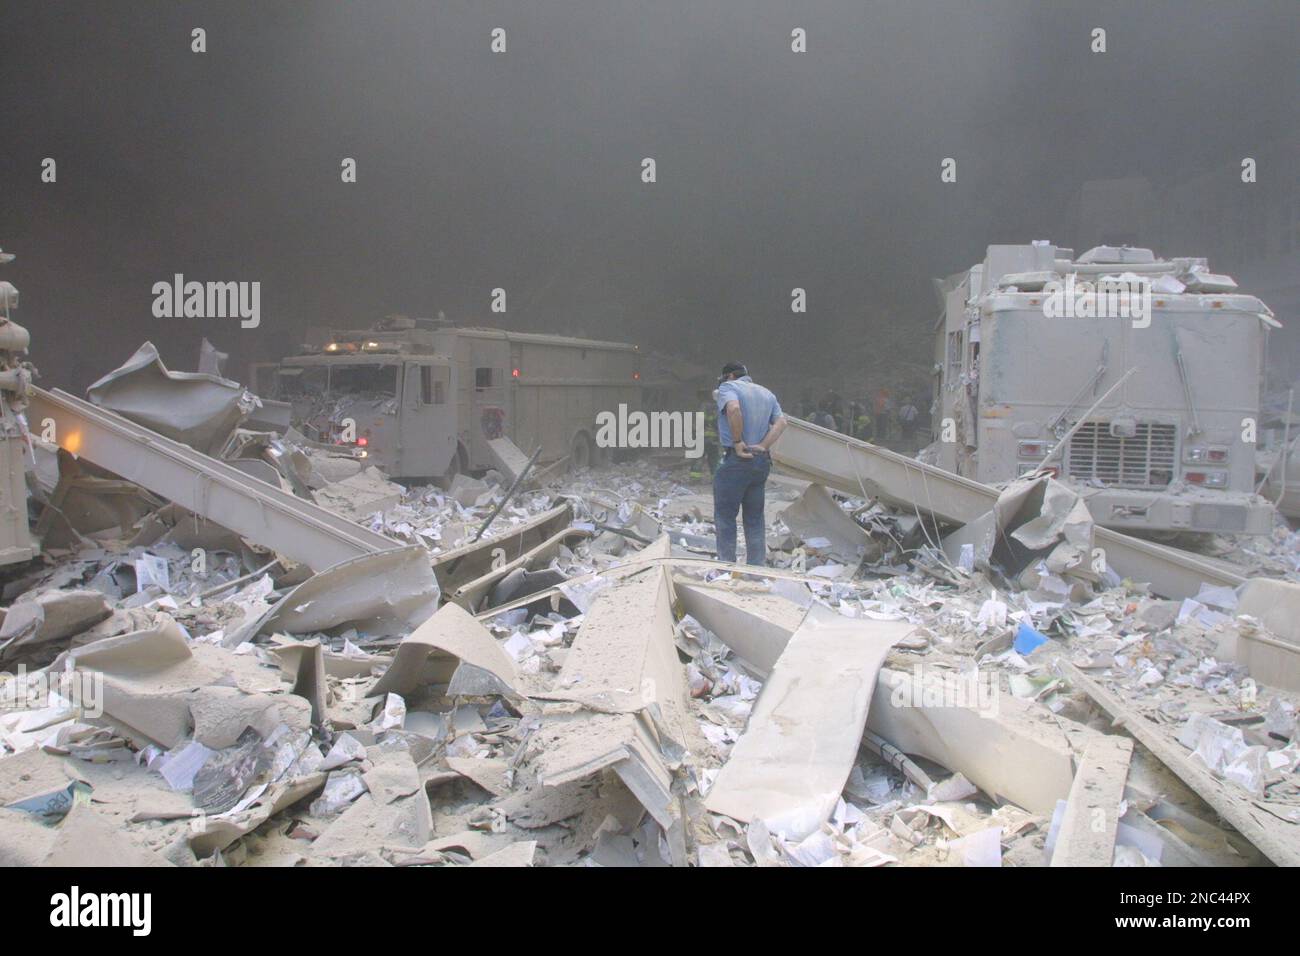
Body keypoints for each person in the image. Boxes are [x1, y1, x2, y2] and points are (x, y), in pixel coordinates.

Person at [713, 362, 786, 566]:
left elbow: (734, 409)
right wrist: (763, 445)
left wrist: (737, 443)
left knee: (725, 515)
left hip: (737, 460)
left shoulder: (729, 388)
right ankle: (756, 567)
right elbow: (782, 422)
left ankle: (726, 566)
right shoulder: (767, 393)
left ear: (730, 376)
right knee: (754, 518)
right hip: (760, 462)